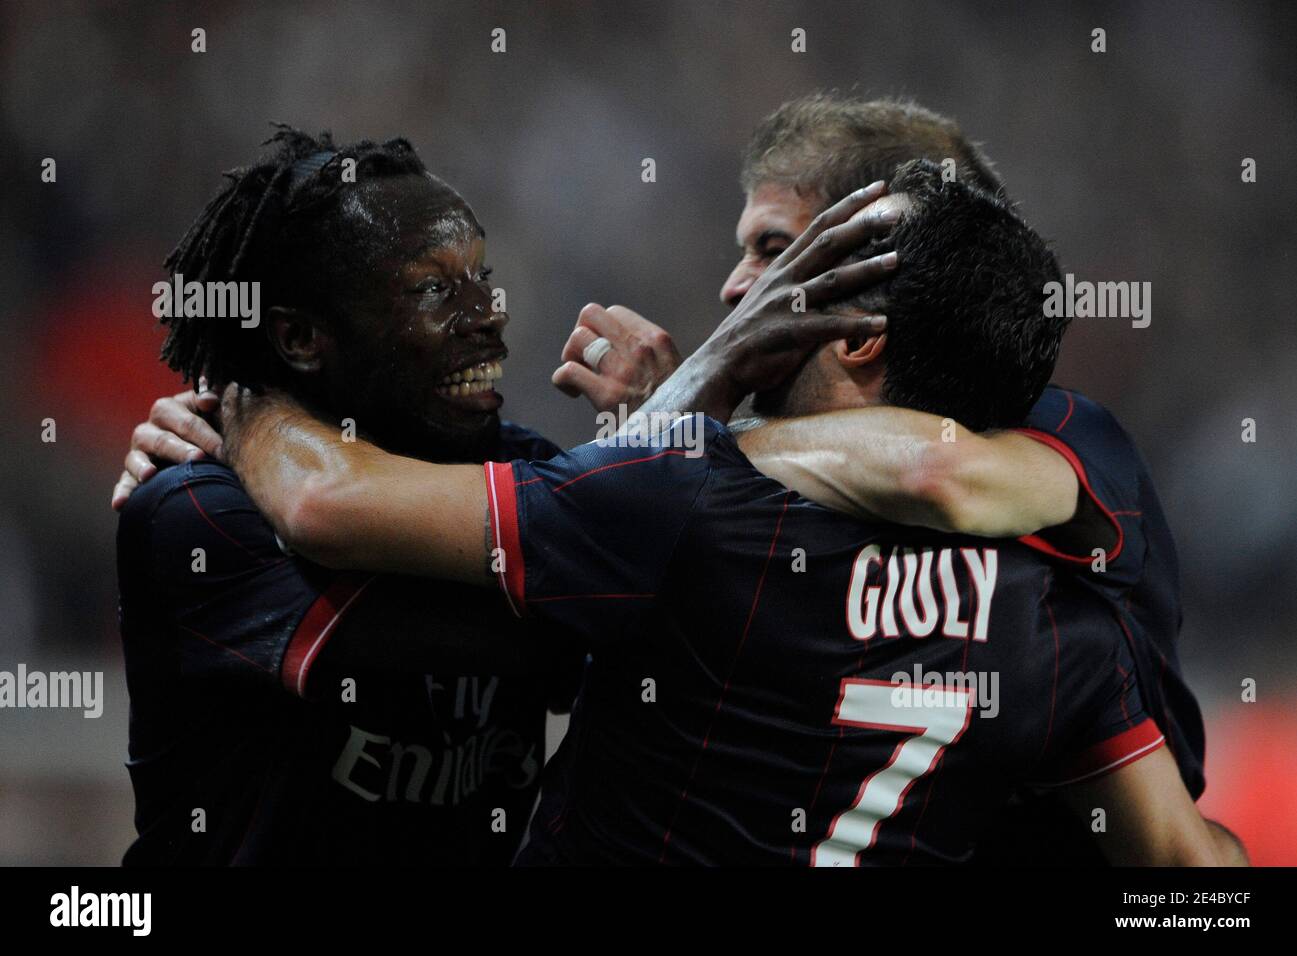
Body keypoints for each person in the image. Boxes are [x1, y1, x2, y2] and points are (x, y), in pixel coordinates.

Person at [206, 163, 1242, 865]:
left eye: (794, 263)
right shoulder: (1056, 610)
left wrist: (233, 397)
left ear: (855, 335)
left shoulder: (687, 498)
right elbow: (1189, 860)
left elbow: (322, 499)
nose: (750, 289)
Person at [114, 127, 893, 864]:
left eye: (480, 278)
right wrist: (671, 435)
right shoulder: (198, 509)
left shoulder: (513, 462)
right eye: (432, 290)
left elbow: (621, 642)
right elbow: (479, 632)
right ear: (300, 339)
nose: (488, 315)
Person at [550, 94, 1208, 863]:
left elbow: (935, 467)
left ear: (886, 263)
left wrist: (686, 414)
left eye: (774, 248)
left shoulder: (1064, 433)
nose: (739, 287)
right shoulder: (780, 517)